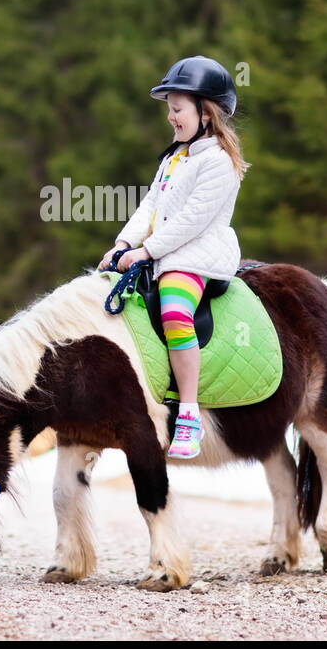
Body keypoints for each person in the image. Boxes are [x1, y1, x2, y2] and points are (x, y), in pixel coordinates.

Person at [98, 56, 249, 459]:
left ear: (205, 111)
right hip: (164, 253)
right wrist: (123, 245)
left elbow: (191, 221)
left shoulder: (218, 162)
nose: (171, 117)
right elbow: (149, 206)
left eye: (177, 108)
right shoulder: (174, 158)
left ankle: (187, 414)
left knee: (175, 312)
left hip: (196, 257)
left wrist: (147, 250)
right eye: (169, 108)